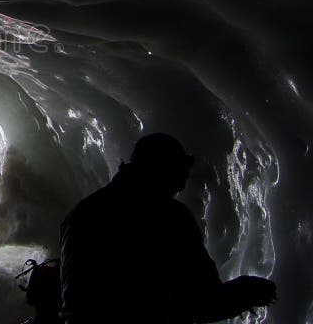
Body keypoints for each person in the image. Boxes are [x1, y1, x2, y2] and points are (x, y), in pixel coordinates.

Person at [59, 132, 277, 324]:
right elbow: (202, 303)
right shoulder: (169, 217)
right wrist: (247, 292)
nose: (181, 186)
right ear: (162, 169)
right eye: (179, 175)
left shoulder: (81, 214)